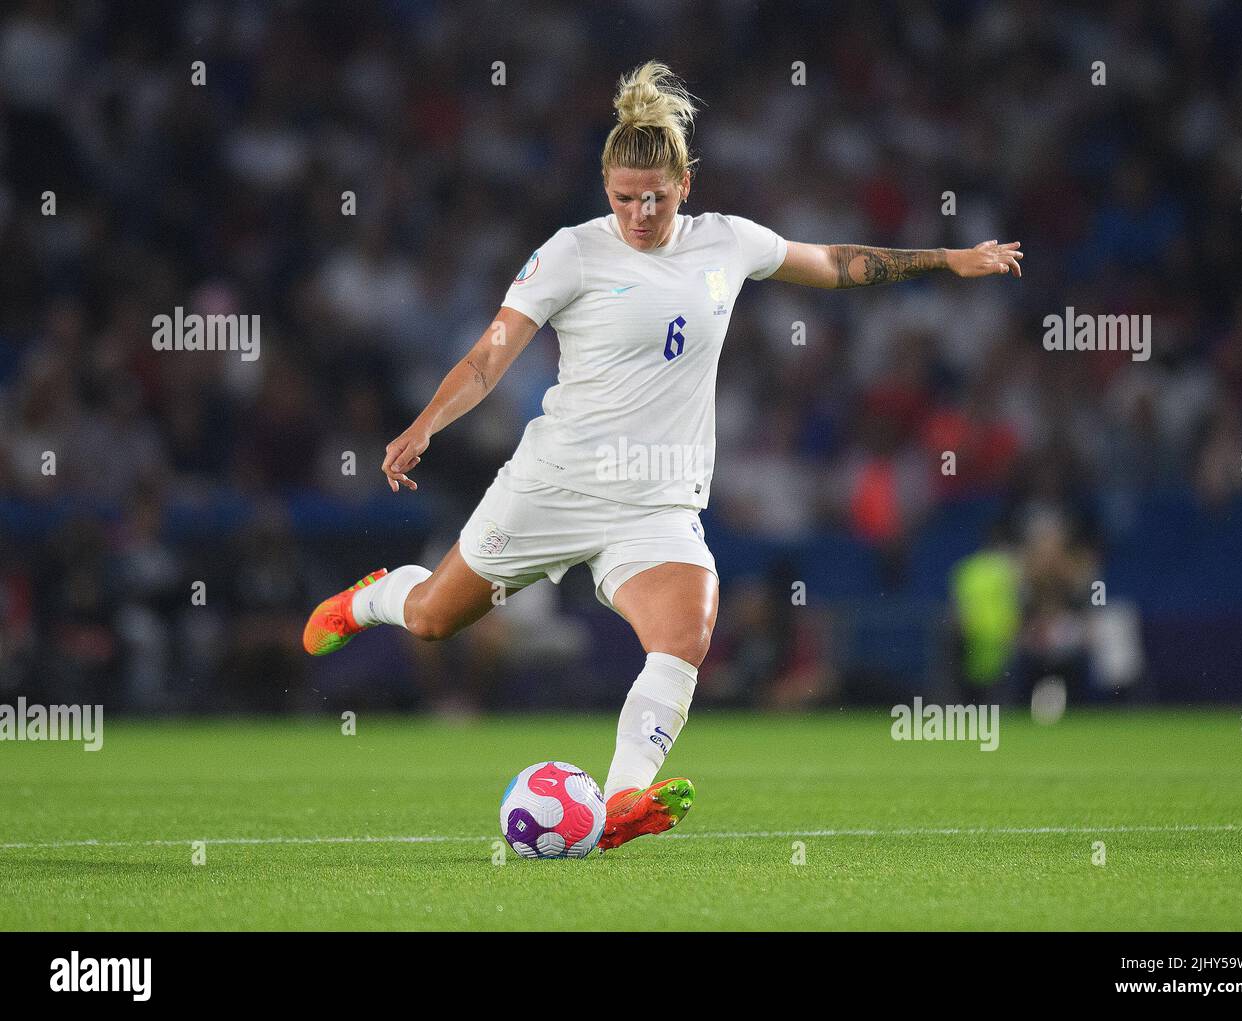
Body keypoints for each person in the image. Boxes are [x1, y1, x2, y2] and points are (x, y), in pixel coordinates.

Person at [302, 60, 1023, 850]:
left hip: (656, 503)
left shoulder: (728, 242)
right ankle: (368, 599)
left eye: (657, 197)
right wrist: (424, 425)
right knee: (434, 619)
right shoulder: (570, 254)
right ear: (604, 186)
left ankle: (619, 805)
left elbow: (834, 263)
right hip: (555, 484)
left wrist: (945, 261)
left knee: (685, 631)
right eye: (623, 197)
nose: (640, 213)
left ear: (687, 183)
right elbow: (488, 356)